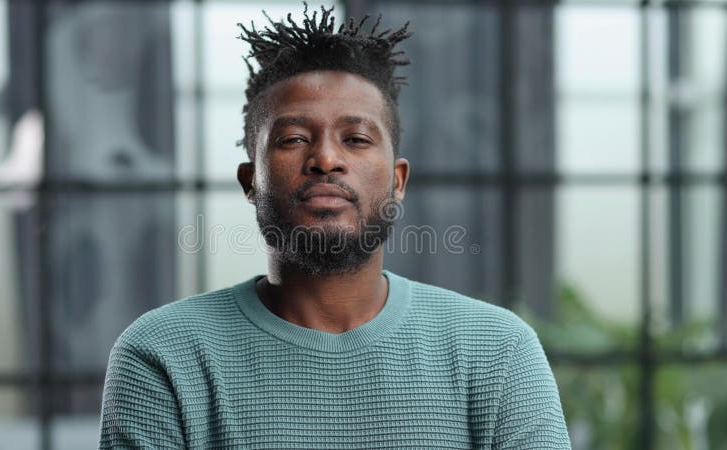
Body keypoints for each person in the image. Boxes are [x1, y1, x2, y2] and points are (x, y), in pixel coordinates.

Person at [99, 3, 571, 449]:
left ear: (397, 180)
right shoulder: (162, 356)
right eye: (294, 138)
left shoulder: (497, 352)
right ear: (250, 181)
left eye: (357, 138)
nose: (325, 158)